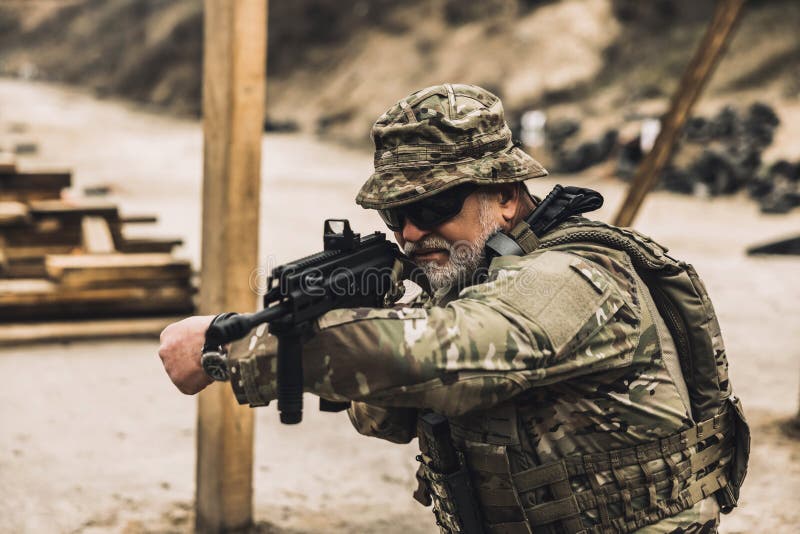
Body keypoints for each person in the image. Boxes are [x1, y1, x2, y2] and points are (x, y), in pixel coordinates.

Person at [159, 84, 747, 534]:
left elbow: (452, 354)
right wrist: (363, 318)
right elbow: (393, 417)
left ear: (507, 198)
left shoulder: (573, 277)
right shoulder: (475, 274)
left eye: (436, 204)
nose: (412, 232)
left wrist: (232, 347)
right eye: (396, 215)